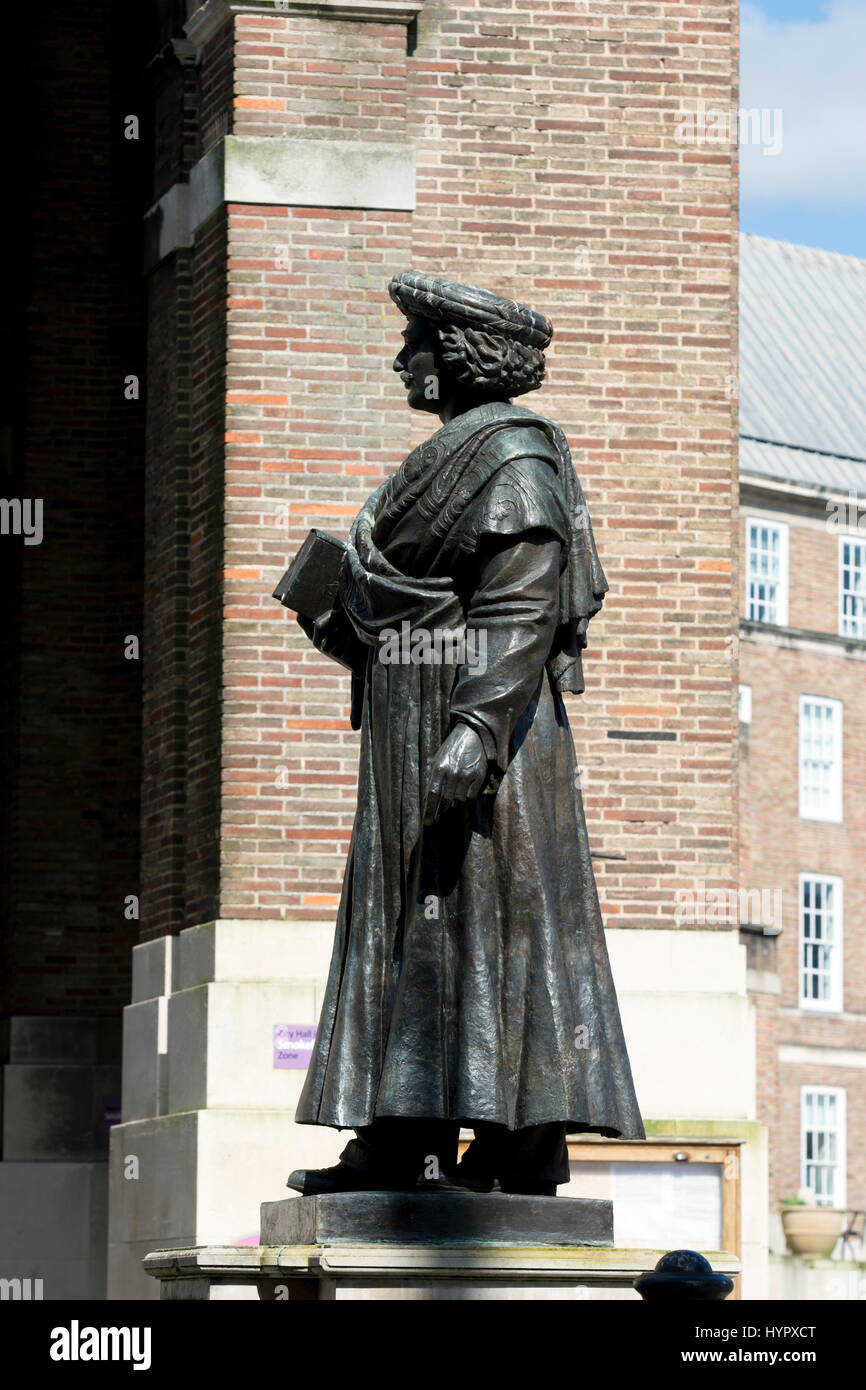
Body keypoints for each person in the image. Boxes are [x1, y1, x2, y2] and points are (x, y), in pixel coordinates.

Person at [287, 271, 644, 1198]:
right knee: (413, 925)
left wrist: (476, 729)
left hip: (488, 745)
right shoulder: (441, 457)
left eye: (414, 344)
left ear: (453, 356)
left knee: (495, 922)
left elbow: (521, 609)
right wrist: (341, 608)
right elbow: (407, 604)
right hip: (410, 727)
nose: (401, 359)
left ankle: (519, 1145)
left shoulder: (513, 462)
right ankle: (400, 1137)